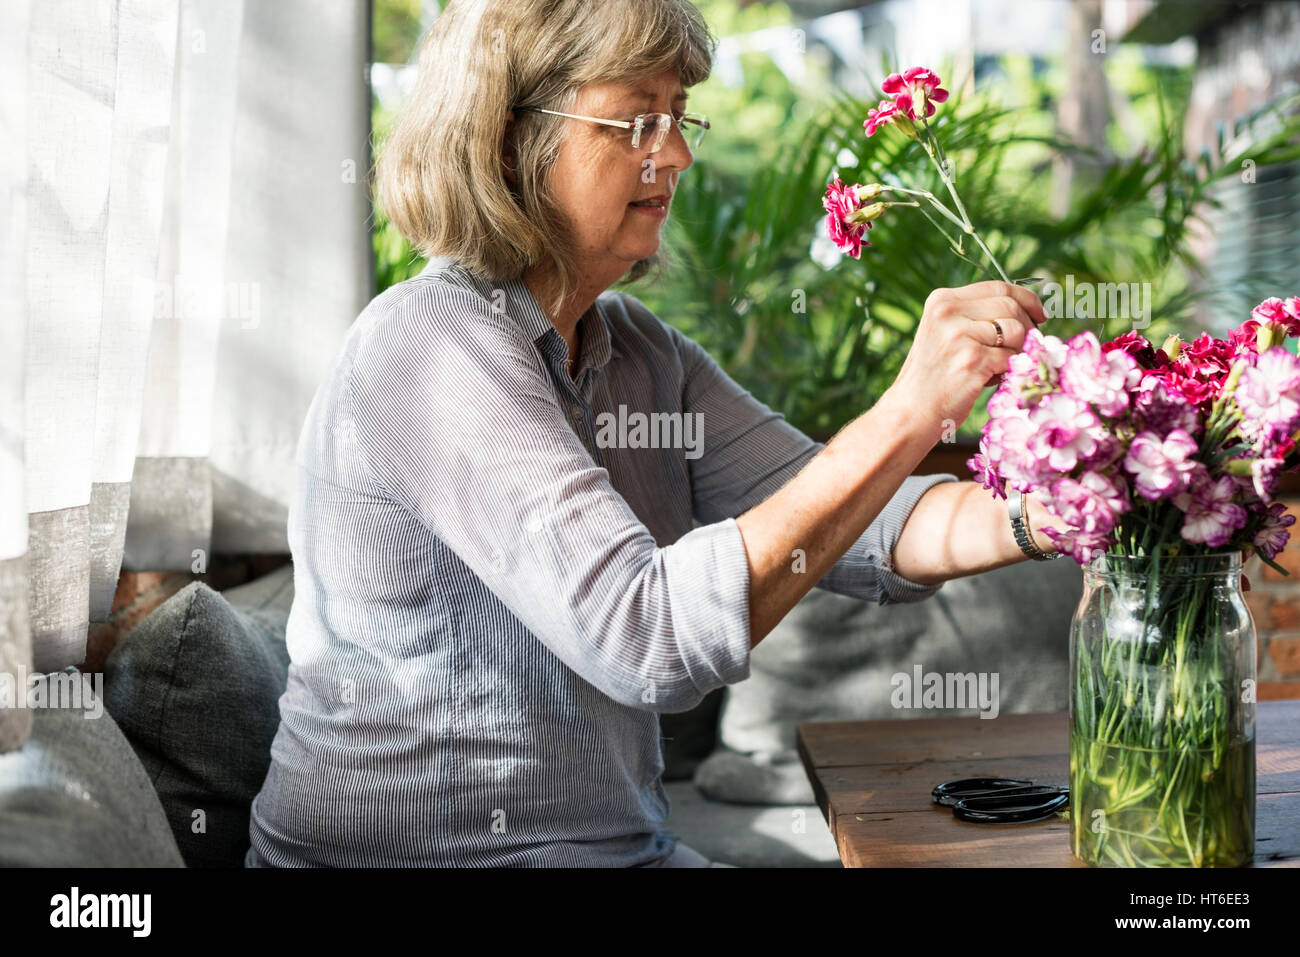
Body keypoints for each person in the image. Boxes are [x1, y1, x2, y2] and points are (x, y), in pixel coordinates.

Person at [245, 0, 1055, 869]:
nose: (675, 152)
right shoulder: (427, 344)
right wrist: (907, 411)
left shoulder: (637, 351)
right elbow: (646, 636)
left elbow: (874, 523)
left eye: (678, 118)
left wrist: (1067, 505)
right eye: (637, 118)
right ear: (511, 135)